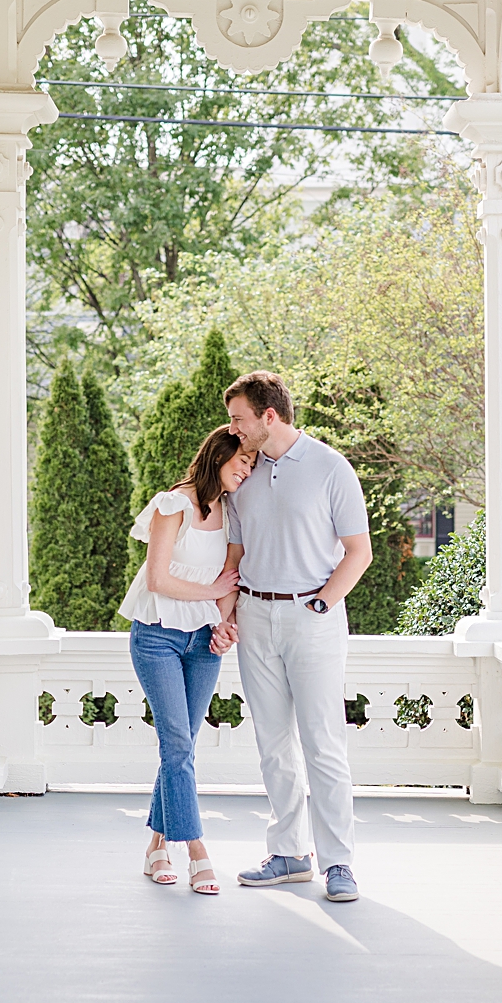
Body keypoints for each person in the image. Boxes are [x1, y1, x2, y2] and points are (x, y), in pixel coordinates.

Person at [213, 372, 373, 902]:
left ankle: (339, 864)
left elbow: (358, 551)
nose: (232, 428)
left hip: (314, 616)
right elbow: (235, 555)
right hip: (256, 615)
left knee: (323, 742)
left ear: (269, 416)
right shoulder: (243, 473)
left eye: (239, 418)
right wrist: (229, 614)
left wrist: (323, 602)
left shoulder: (331, 468)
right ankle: (288, 853)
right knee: (273, 743)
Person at [118, 426, 253, 896]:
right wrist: (213, 591)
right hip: (157, 635)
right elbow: (157, 579)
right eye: (242, 460)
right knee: (177, 744)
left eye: (252, 464)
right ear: (219, 455)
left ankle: (156, 845)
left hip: (202, 640)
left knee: (183, 748)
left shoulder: (232, 513)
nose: (247, 468)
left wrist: (222, 623)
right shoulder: (171, 505)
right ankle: (196, 849)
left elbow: (230, 578)